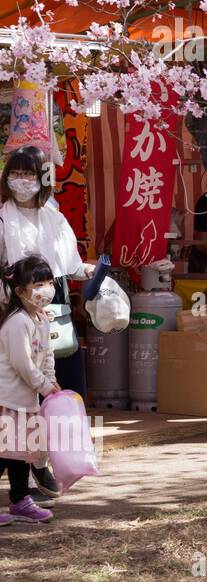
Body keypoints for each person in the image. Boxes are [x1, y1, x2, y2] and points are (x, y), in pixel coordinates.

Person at [0, 146, 97, 502]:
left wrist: (89, 272)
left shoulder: (55, 219)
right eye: (16, 173)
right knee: (19, 393)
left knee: (57, 389)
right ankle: (28, 471)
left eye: (30, 174)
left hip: (54, 310)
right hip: (13, 310)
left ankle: (48, 460)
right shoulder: (1, 219)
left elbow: (70, 265)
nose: (22, 182)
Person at [0, 255, 60, 524]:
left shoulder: (42, 319)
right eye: (38, 284)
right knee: (4, 452)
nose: (45, 289)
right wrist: (44, 386)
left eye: (48, 282)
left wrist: (51, 380)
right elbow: (22, 363)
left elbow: (47, 355)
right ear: (20, 291)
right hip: (7, 398)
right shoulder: (17, 322)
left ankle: (20, 501)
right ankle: (20, 500)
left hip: (25, 399)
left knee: (21, 453)